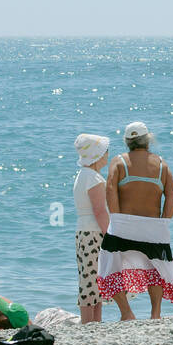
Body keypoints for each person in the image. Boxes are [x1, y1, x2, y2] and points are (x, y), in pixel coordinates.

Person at [98, 122, 173, 319]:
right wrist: (164, 220)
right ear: (148, 139)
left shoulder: (119, 162)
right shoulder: (160, 164)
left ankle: (127, 313)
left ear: (127, 141)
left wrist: (116, 217)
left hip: (123, 224)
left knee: (109, 265)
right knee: (155, 268)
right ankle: (155, 313)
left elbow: (110, 190)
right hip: (153, 226)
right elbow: (172, 195)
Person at [73, 133, 111, 324]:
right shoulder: (94, 178)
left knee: (91, 277)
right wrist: (109, 234)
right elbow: (99, 211)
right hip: (93, 232)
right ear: (97, 155)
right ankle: (88, 322)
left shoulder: (84, 175)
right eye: (105, 152)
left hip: (84, 231)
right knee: (91, 280)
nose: (107, 155)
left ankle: (95, 322)